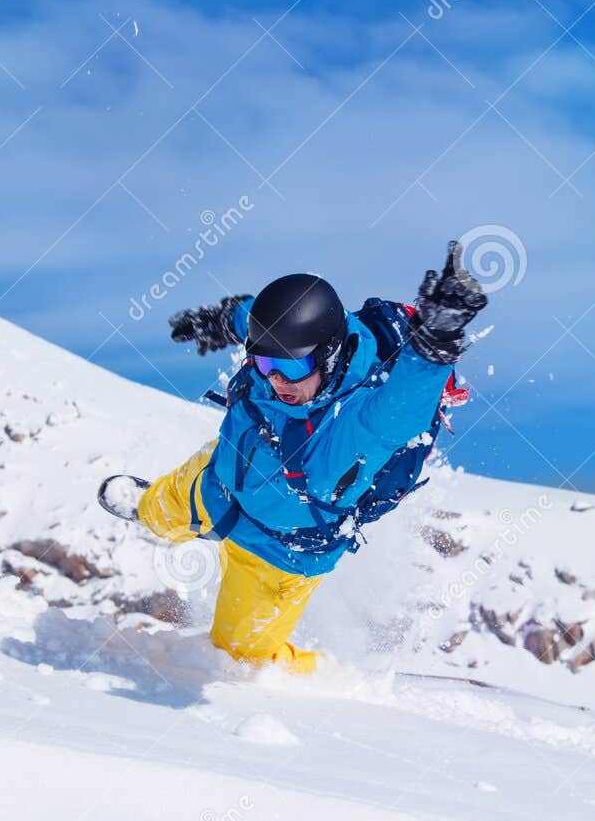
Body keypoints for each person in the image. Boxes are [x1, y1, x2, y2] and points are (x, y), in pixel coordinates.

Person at [133, 240, 488, 673]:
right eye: (263, 364)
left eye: (294, 368)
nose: (277, 379)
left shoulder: (360, 422)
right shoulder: (280, 356)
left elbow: (404, 410)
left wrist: (435, 345)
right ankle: (145, 510)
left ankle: (318, 682)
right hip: (220, 478)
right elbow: (259, 326)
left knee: (236, 661)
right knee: (157, 509)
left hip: (273, 556)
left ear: (330, 353)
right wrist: (225, 317)